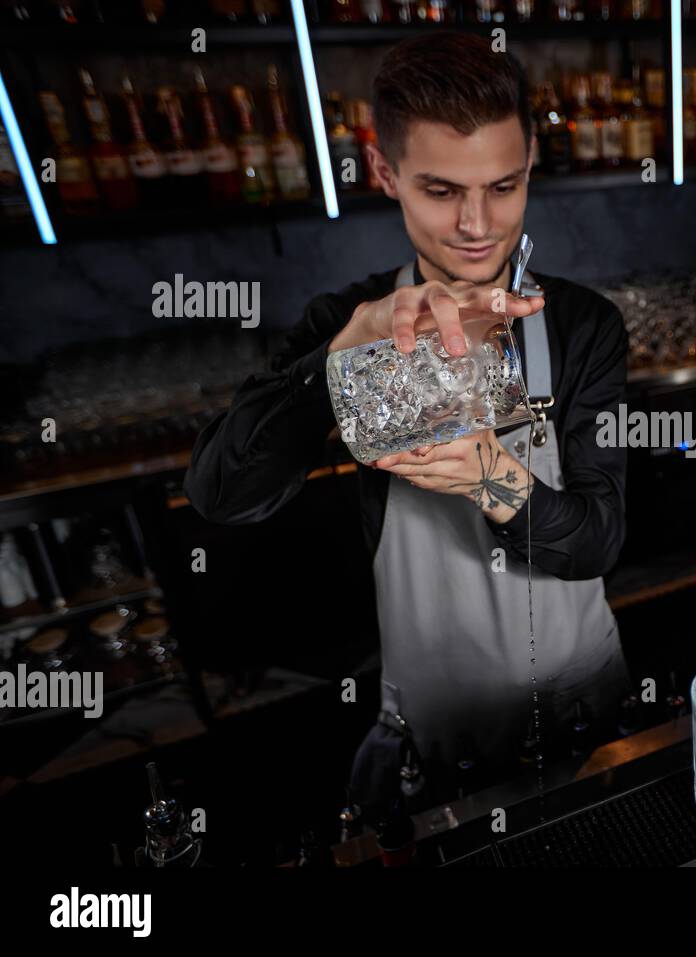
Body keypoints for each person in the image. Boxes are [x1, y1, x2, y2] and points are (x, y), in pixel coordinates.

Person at [184, 32, 631, 816]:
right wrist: (339, 363)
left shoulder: (584, 326)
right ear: (385, 174)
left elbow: (598, 537)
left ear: (530, 162)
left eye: (503, 185)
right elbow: (222, 493)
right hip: (437, 726)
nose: (476, 223)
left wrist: (490, 474)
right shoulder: (344, 322)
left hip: (587, 705)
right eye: (440, 190)